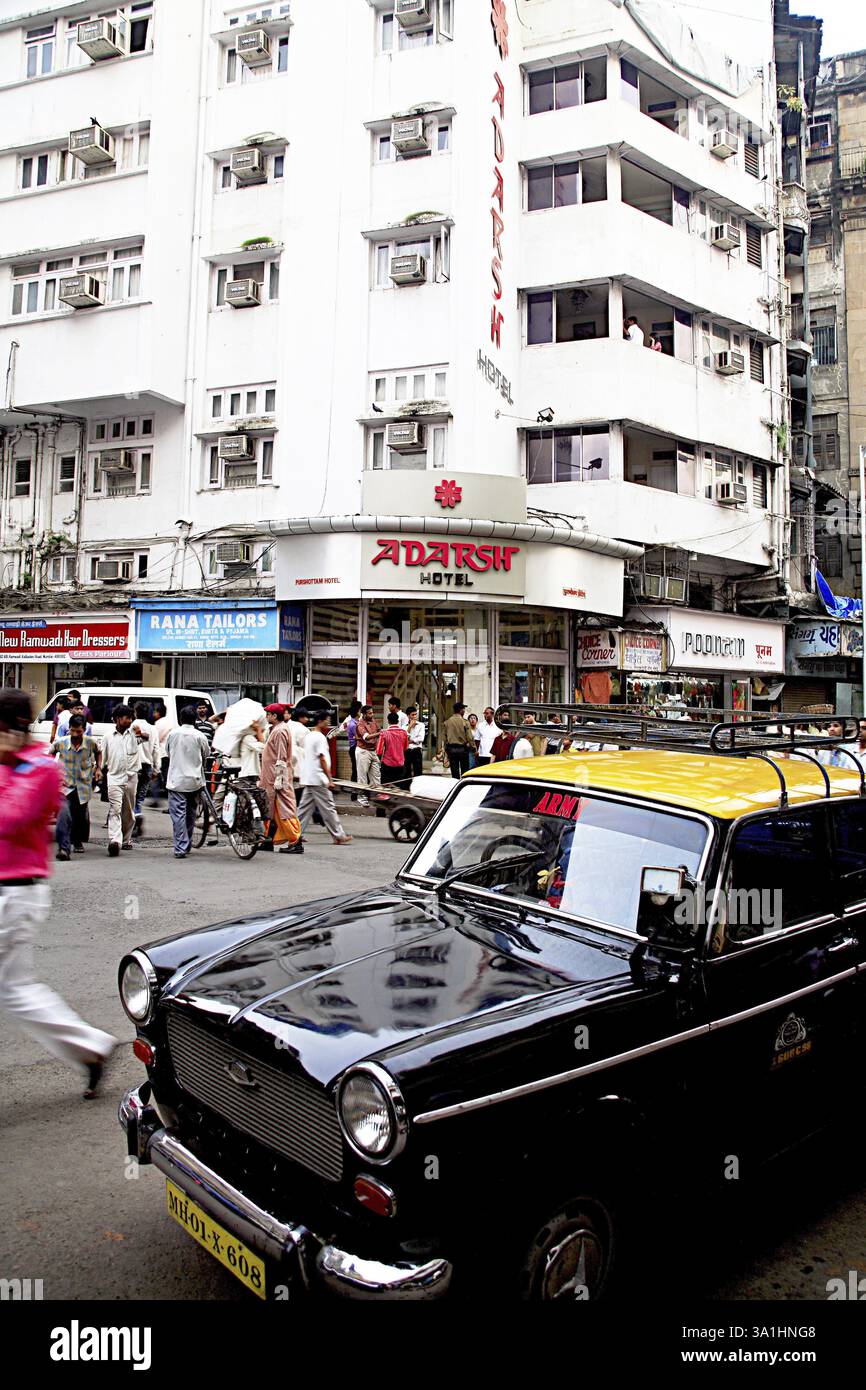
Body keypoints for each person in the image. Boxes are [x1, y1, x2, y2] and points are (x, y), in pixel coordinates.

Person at [0, 688, 116, 1099]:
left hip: (14, 894)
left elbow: (11, 819)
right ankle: (90, 1047)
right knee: (14, 991)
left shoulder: (40, 768)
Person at [298, 711, 352, 845]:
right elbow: (322, 758)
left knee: (304, 810)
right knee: (328, 808)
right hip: (318, 778)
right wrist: (329, 779)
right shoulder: (320, 738)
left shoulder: (309, 736)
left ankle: (294, 833)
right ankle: (338, 835)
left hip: (309, 777)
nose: (328, 723)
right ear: (320, 721)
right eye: (327, 720)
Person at [51, 714, 101, 860]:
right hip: (64, 786)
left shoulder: (91, 743)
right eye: (72, 731)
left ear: (84, 730)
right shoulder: (61, 742)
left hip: (83, 785)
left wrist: (98, 768)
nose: (75, 734)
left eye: (78, 731)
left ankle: (77, 840)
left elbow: (99, 751)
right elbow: (50, 752)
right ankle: (64, 849)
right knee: (64, 816)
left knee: (79, 816)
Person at [165, 706, 209, 860]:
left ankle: (180, 847)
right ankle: (187, 843)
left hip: (176, 780)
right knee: (190, 814)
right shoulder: (199, 735)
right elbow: (206, 753)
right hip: (194, 781)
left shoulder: (173, 734)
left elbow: (167, 752)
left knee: (178, 815)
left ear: (181, 719)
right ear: (195, 719)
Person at [259, 705, 302, 854]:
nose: (266, 717)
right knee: (271, 810)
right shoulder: (275, 730)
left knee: (285, 809)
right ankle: (268, 840)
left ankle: (296, 841)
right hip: (270, 777)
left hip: (277, 778)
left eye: (268, 714)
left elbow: (282, 756)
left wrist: (279, 778)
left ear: (275, 716)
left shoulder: (280, 731)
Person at [100, 704, 141, 856]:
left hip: (131, 777)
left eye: (131, 718)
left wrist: (140, 733)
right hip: (114, 777)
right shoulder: (107, 737)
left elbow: (145, 738)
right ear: (117, 718)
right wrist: (100, 771)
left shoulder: (134, 734)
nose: (129, 720)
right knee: (115, 809)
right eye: (126, 718)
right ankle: (115, 840)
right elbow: (102, 759)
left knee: (128, 811)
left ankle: (126, 839)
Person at [132, 700, 160, 837]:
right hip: (147, 765)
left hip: (133, 766)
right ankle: (138, 813)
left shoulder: (131, 726)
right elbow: (156, 750)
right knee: (141, 795)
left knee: (131, 795)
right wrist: (156, 769)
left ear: (135, 712)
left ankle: (134, 817)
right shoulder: (153, 729)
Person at [355, 704, 382, 806]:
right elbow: (367, 737)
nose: (372, 714)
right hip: (363, 751)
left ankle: (376, 798)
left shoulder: (374, 721)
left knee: (376, 775)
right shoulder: (360, 724)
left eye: (372, 712)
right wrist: (379, 734)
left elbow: (379, 730)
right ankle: (362, 798)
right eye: (370, 713)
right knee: (362, 777)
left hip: (372, 750)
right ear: (364, 714)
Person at [443, 702, 474, 779]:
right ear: (461, 710)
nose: (464, 711)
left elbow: (445, 738)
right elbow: (470, 738)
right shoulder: (465, 722)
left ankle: (455, 786)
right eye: (463, 709)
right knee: (465, 770)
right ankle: (463, 787)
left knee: (454, 771)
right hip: (463, 749)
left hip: (451, 749)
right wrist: (474, 749)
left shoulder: (447, 722)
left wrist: (445, 750)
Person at [377, 712, 409, 786]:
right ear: (398, 721)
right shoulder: (404, 733)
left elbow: (379, 751)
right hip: (400, 763)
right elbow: (405, 748)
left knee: (386, 786)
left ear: (388, 721)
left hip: (387, 764)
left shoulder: (384, 733)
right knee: (399, 786)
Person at [340, 699, 363, 799]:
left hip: (354, 747)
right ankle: (354, 793)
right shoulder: (352, 722)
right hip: (354, 747)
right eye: (360, 709)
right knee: (355, 770)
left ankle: (355, 793)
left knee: (356, 770)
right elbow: (355, 736)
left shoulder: (354, 721)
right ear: (357, 710)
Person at [406, 705, 425, 779]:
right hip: (407, 750)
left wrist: (411, 740)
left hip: (417, 750)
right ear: (408, 716)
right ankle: (407, 787)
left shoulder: (421, 725)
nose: (414, 716)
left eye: (415, 714)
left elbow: (421, 738)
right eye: (412, 715)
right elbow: (404, 738)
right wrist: (409, 727)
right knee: (407, 771)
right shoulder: (404, 726)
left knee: (418, 771)